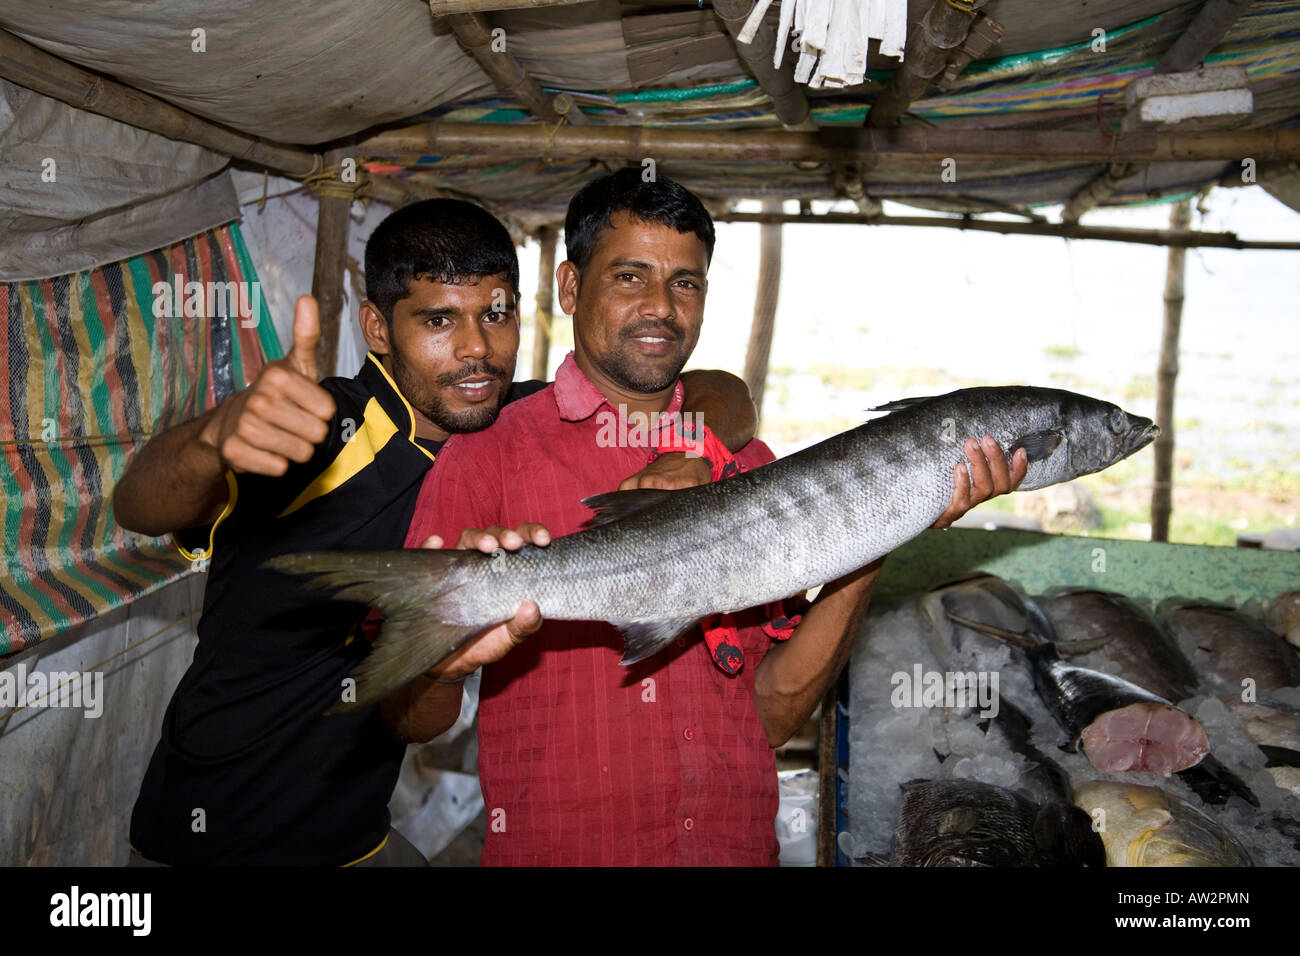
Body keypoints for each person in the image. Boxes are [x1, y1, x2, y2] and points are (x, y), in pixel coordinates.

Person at [401, 169, 1028, 865]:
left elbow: (772, 713)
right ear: (572, 288)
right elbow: (410, 720)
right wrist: (439, 669)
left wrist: (885, 521)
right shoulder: (488, 455)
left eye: (686, 283)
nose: (661, 308)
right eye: (630, 277)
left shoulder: (751, 465)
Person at [114, 198, 758, 866]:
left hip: (358, 834)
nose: (477, 348)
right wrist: (211, 440)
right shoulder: (317, 432)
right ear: (379, 328)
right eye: (439, 320)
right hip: (207, 839)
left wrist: (689, 443)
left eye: (496, 314)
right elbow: (139, 505)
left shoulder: (512, 420)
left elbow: (718, 390)